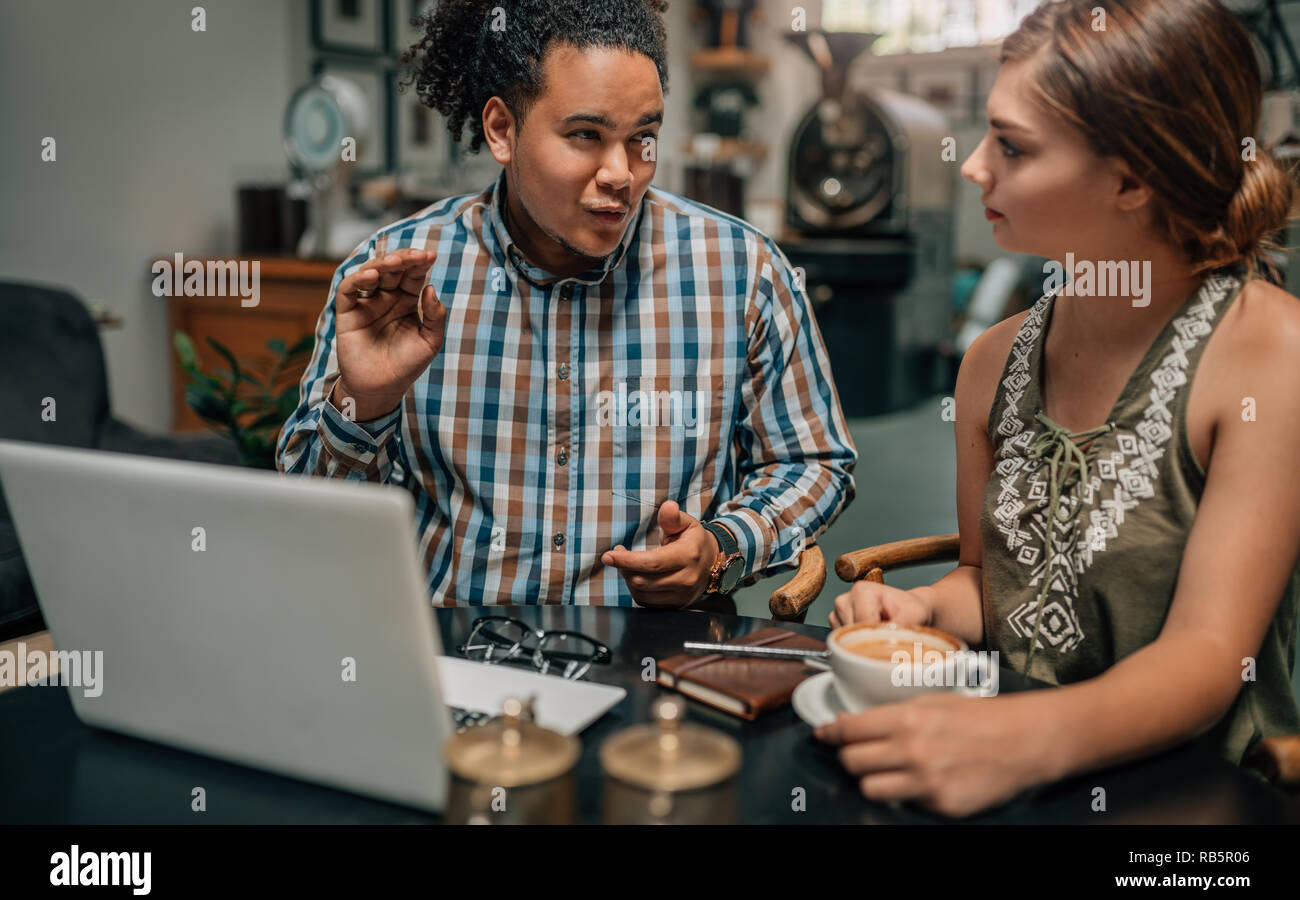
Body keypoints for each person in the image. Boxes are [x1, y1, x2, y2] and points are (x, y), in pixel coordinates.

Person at [820, 0, 1300, 817]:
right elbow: (988, 581)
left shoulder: (1268, 355)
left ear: (1131, 179)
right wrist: (924, 608)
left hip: (1193, 803)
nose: (974, 167)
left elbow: (1208, 657)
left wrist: (1014, 743)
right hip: (1017, 770)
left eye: (1011, 146)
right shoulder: (990, 363)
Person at [276, 0, 856, 611]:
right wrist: (364, 404)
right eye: (585, 135)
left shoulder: (742, 272)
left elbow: (814, 461)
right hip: (455, 648)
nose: (621, 174)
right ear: (502, 130)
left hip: (657, 655)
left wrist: (723, 547)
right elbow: (315, 523)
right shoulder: (393, 278)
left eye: (642, 139)